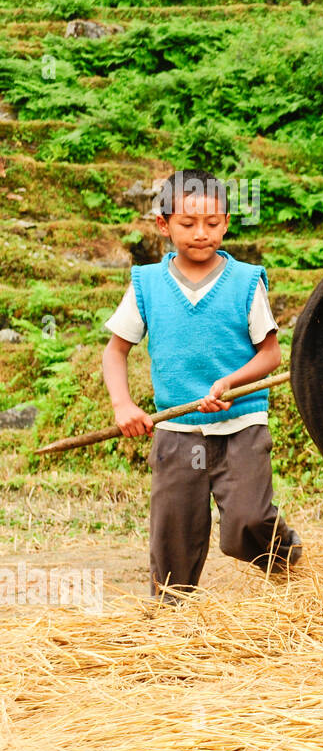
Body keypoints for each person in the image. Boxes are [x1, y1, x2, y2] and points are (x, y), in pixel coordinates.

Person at [101, 170, 301, 601]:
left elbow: (270, 355)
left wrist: (229, 382)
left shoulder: (247, 282)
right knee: (173, 538)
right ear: (163, 224)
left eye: (212, 223)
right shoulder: (147, 284)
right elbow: (115, 352)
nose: (201, 234)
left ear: (226, 222)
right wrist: (123, 405)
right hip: (176, 432)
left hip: (241, 426)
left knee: (245, 525)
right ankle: (172, 621)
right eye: (187, 224)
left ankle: (283, 549)